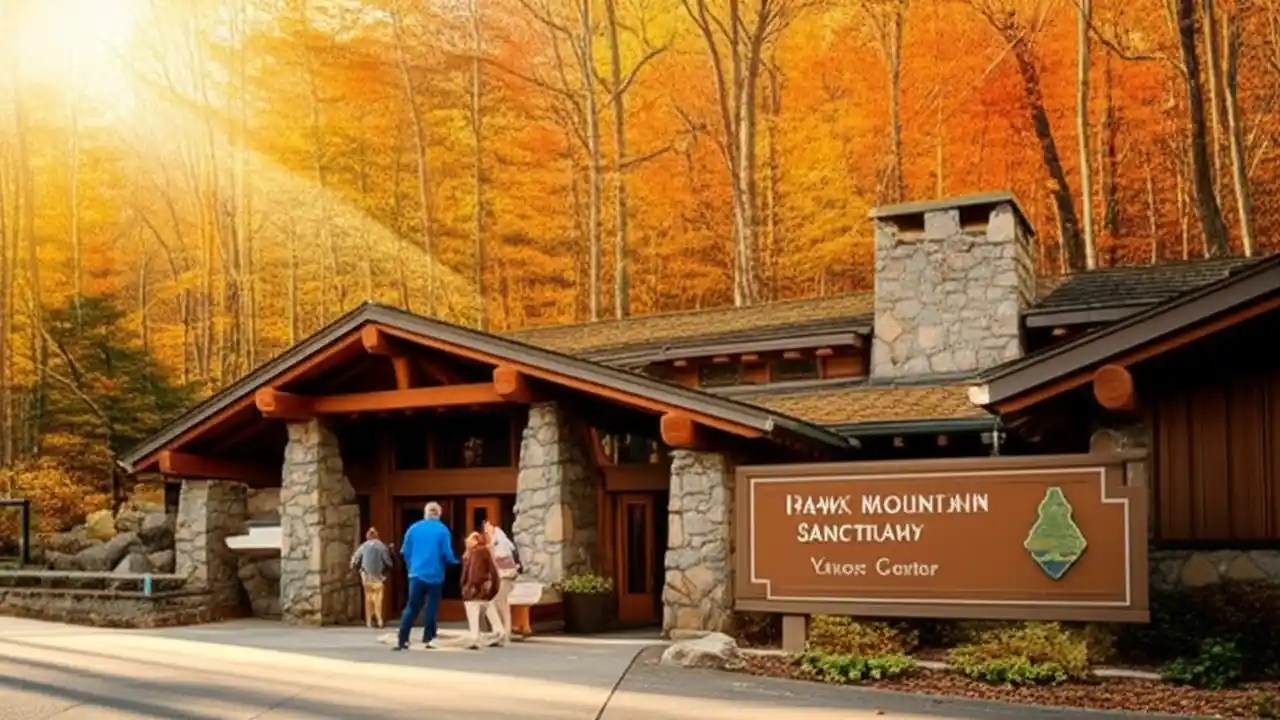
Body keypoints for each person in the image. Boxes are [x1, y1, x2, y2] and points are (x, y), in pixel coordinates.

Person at [394, 501, 458, 651]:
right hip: (435, 574)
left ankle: (402, 639)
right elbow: (447, 554)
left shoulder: (413, 529)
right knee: (431, 607)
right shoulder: (443, 530)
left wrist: (411, 566)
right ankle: (428, 638)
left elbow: (405, 551)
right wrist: (455, 561)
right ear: (439, 514)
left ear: (425, 513)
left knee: (411, 607)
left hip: (416, 574)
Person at [459, 527, 504, 650]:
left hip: (476, 589)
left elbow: (475, 573)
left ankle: (475, 638)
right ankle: (499, 632)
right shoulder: (484, 551)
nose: (466, 541)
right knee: (489, 609)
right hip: (486, 589)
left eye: (468, 539)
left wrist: (469, 587)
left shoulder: (476, 552)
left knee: (473, 612)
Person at [350, 527, 394, 628]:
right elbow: (388, 562)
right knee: (378, 599)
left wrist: (360, 571)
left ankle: (369, 621)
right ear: (377, 536)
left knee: (368, 599)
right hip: (378, 577)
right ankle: (379, 619)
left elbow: (354, 562)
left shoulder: (363, 546)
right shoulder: (382, 546)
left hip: (366, 577)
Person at [485, 518, 519, 645]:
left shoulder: (498, 540)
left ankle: (500, 632)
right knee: (502, 603)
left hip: (505, 575)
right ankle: (505, 632)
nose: (486, 530)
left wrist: (490, 550)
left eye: (488, 527)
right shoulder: (500, 539)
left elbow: (498, 558)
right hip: (507, 574)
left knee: (495, 602)